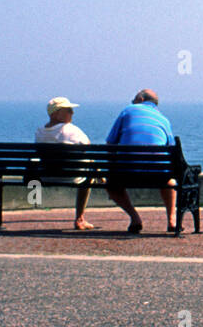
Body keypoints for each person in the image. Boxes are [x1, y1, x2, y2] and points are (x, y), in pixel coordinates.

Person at [35, 97, 142, 233]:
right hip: (72, 177)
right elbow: (88, 147)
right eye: (68, 110)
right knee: (89, 169)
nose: (72, 112)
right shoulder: (71, 131)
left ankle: (100, 181)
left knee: (89, 163)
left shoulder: (39, 132)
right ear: (56, 114)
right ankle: (80, 218)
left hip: (46, 176)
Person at [106, 89, 178, 234]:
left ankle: (135, 218)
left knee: (112, 186)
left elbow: (110, 143)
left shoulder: (128, 110)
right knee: (169, 182)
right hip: (157, 175)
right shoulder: (163, 119)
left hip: (127, 172)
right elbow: (171, 149)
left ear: (140, 98)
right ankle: (171, 219)